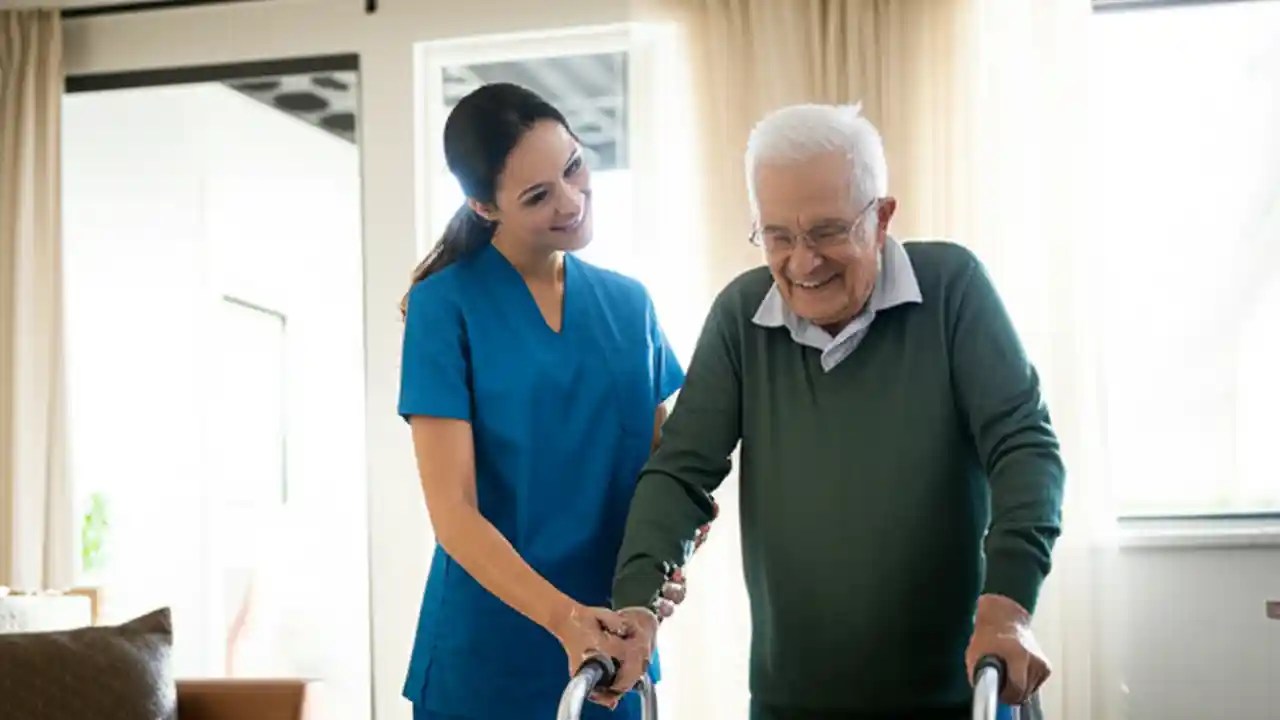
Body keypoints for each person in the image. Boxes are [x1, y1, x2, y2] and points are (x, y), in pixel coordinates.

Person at [601, 103, 1064, 719]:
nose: (802, 262)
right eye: (778, 236)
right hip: (792, 700)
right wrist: (637, 600)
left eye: (826, 231)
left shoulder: (953, 288)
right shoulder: (742, 317)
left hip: (956, 695)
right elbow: (681, 473)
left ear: (882, 217)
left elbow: (1024, 446)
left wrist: (1009, 603)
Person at [397, 82, 697, 719]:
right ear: (483, 206)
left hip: (613, 658)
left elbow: (668, 483)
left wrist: (667, 563)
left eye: (574, 167)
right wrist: (565, 620)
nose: (572, 200)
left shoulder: (630, 306)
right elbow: (453, 514)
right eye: (538, 195)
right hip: (488, 658)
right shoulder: (444, 308)